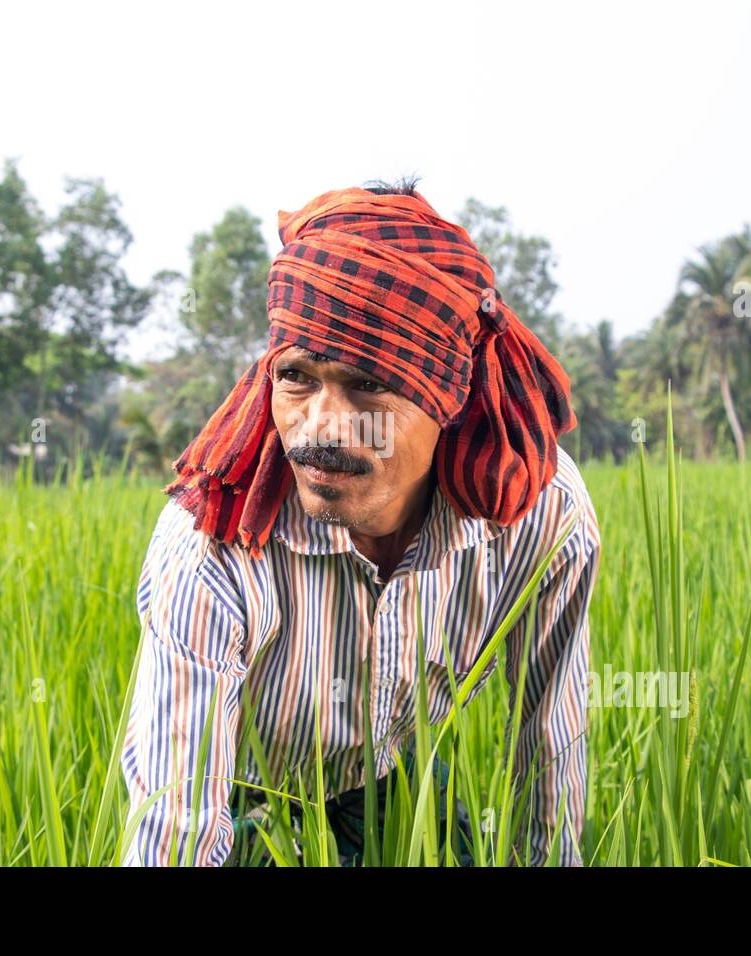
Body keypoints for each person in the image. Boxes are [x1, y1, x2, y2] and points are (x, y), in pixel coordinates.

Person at [121, 178, 601, 866]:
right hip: (239, 796)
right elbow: (175, 825)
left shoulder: (537, 515)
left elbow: (549, 743)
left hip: (385, 785)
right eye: (298, 378)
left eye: (368, 385)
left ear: (450, 397)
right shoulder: (213, 547)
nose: (319, 428)